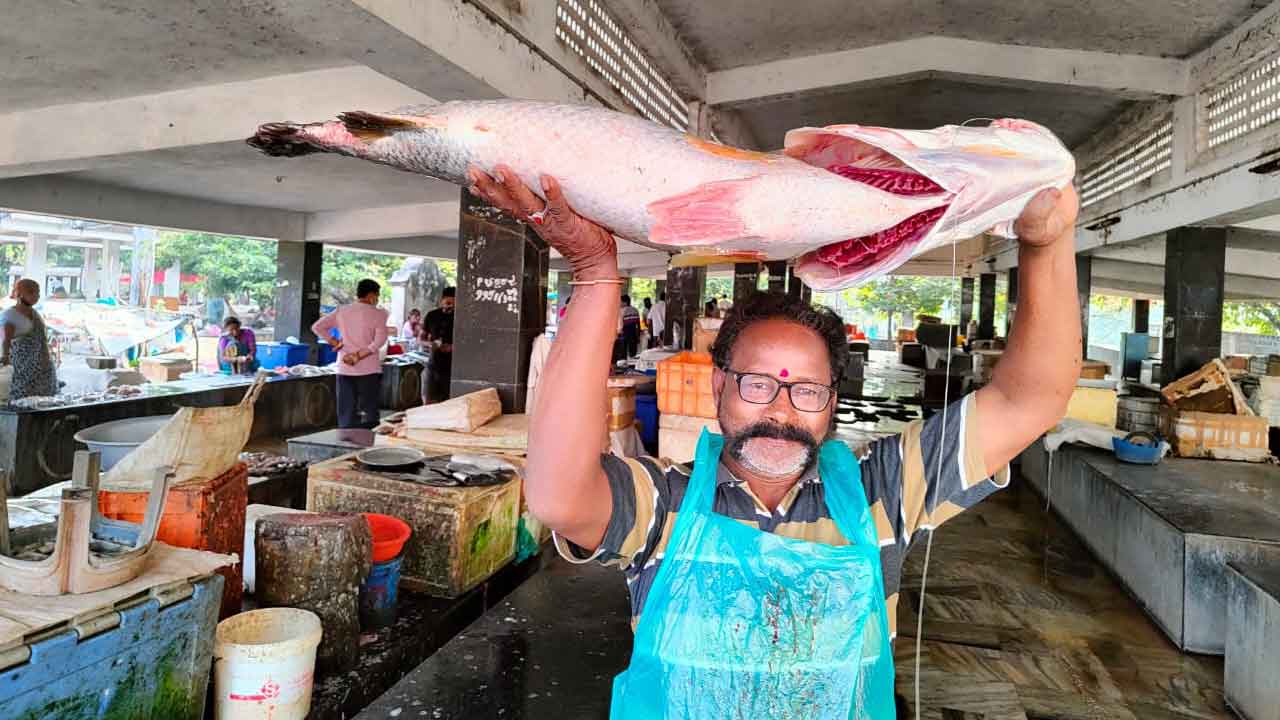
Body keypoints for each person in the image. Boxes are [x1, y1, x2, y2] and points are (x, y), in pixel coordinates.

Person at [467, 162, 1080, 716]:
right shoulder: (667, 508)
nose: (781, 410)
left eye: (807, 390)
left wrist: (1047, 243)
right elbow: (557, 496)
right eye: (758, 384)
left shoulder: (885, 493)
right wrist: (596, 274)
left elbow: (1030, 399)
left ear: (833, 403)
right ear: (719, 390)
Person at [312, 279, 388, 429]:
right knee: (368, 411)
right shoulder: (378, 314)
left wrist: (335, 342)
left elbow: (317, 327)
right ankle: (367, 444)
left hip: (344, 368)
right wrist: (358, 355)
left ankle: (346, 442)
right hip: (369, 369)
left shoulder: (342, 311)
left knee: (346, 410)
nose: (377, 299)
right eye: (377, 295)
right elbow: (379, 341)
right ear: (372, 295)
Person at [1, 279, 58, 401]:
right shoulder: (10, 315)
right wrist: (5, 357)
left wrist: (46, 358)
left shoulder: (35, 314)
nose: (36, 296)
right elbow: (6, 340)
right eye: (31, 292)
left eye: (38, 293)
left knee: (45, 403)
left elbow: (41, 339)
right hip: (22, 369)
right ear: (20, 294)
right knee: (22, 402)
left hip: (43, 368)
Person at [421, 287, 456, 404]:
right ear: (442, 301)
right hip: (434, 362)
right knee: (429, 398)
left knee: (448, 401)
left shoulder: (461, 317)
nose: (450, 306)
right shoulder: (432, 315)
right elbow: (420, 339)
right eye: (448, 303)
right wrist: (431, 344)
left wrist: (452, 347)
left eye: (453, 304)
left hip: (453, 365)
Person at [620, 294, 641, 359]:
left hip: (625, 331)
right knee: (633, 351)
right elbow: (638, 324)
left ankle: (624, 363)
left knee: (623, 350)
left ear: (625, 302)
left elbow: (620, 324)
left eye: (621, 302)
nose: (620, 303)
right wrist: (638, 335)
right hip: (634, 331)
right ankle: (632, 364)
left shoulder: (622, 310)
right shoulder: (635, 310)